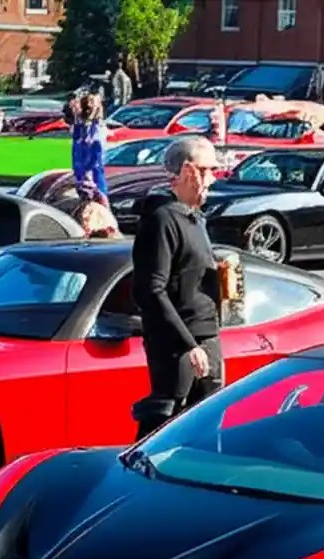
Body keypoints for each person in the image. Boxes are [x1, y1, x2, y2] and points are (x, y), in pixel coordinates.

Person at [130, 136, 225, 441]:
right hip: (177, 346)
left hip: (206, 334)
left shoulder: (195, 217)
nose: (213, 179)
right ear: (188, 171)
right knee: (167, 428)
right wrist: (189, 345)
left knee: (208, 428)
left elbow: (186, 274)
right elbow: (150, 290)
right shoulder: (162, 220)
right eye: (208, 170)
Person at [72, 91, 108, 200]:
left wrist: (89, 168)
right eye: (88, 102)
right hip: (81, 165)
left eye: (92, 102)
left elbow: (96, 147)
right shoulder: (83, 125)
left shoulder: (97, 126)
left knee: (97, 192)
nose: (88, 105)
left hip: (92, 166)